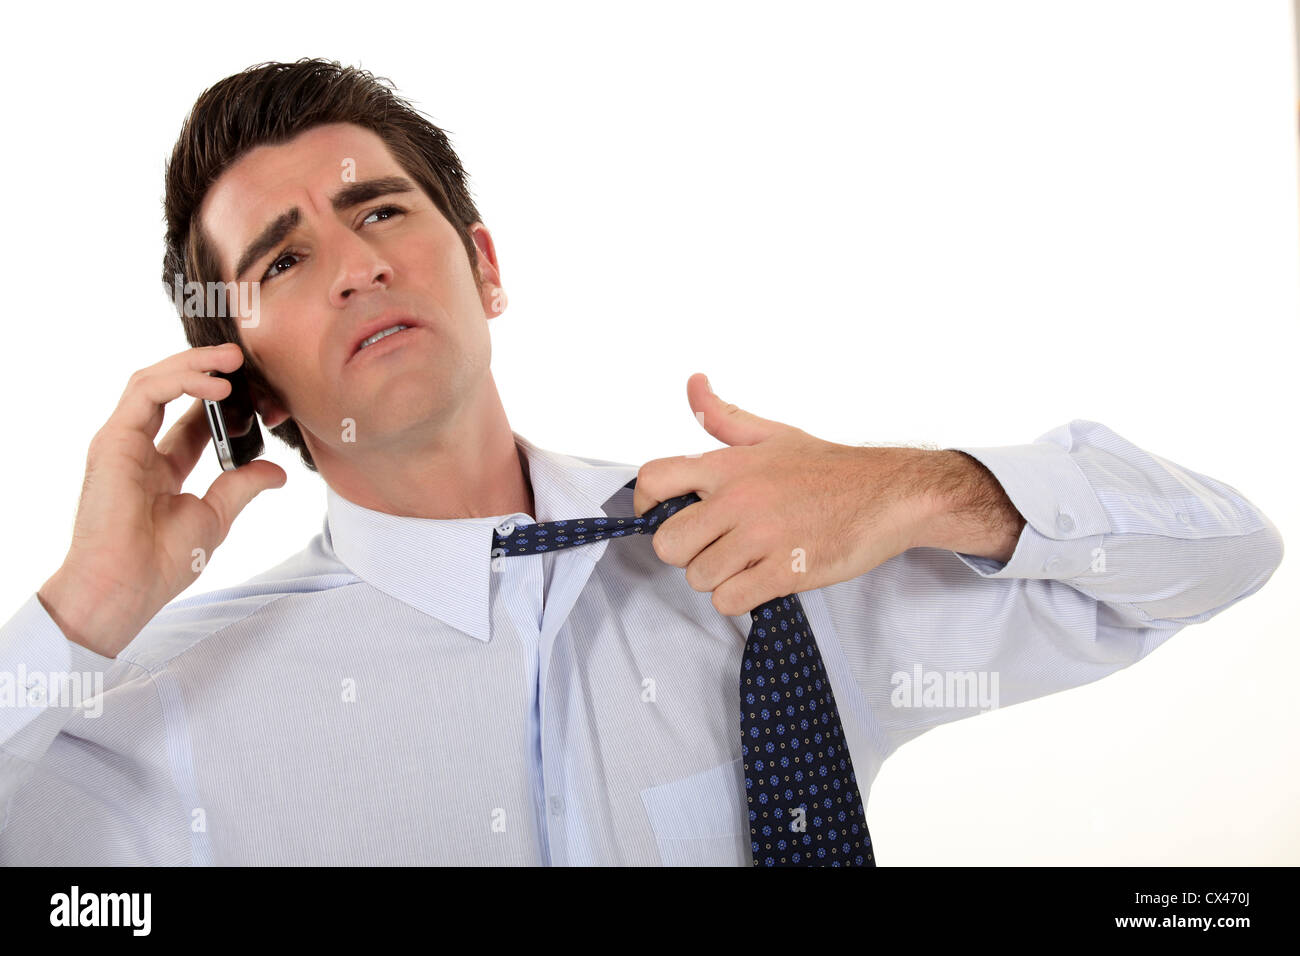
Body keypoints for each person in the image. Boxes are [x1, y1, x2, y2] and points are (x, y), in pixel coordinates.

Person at [0, 58, 1283, 866]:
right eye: (282, 260)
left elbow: (1224, 551)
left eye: (381, 206)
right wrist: (85, 609)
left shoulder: (772, 552)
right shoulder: (159, 715)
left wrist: (910, 487)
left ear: (484, 265)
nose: (356, 260)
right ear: (244, 390)